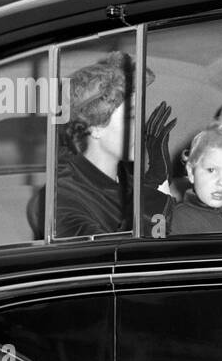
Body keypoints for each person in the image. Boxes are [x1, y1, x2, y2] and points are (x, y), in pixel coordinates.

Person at [49, 52, 174, 237]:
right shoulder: (62, 198)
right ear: (96, 126)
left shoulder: (130, 180)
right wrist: (150, 193)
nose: (142, 128)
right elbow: (131, 259)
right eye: (131, 116)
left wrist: (157, 180)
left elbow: (163, 239)